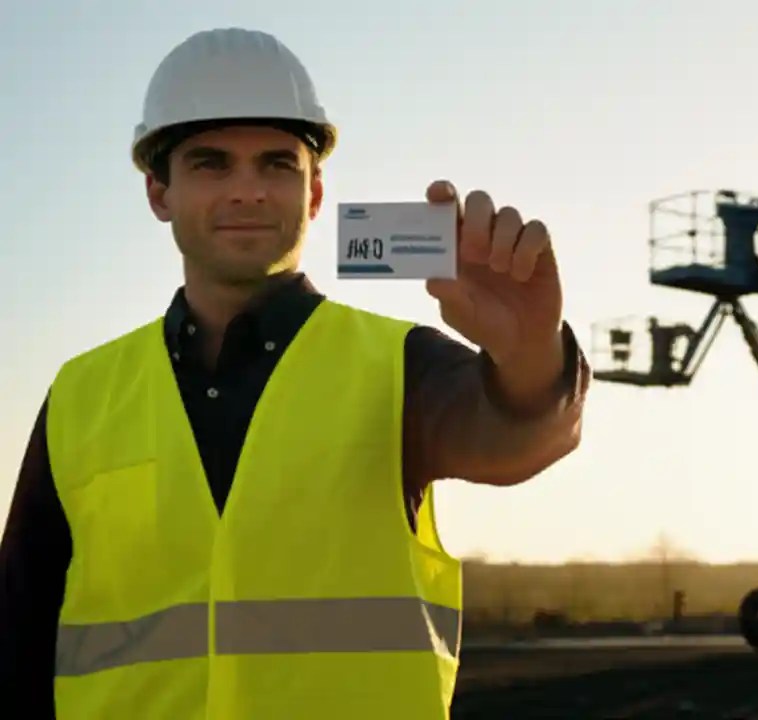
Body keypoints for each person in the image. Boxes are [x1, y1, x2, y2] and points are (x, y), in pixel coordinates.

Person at [0, 26, 588, 719]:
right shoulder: (81, 394)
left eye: (276, 165)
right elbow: (19, 636)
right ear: (158, 192)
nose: (248, 192)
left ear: (314, 195)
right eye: (212, 164)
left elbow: (517, 435)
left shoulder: (400, 365)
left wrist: (530, 352)